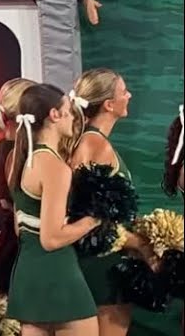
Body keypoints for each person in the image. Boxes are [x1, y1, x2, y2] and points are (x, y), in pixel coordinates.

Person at [5, 84, 99, 334]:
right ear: (54, 115)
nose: (72, 117)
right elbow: (51, 238)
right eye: (67, 110)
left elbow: (20, 227)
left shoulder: (20, 159)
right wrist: (95, 219)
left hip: (27, 275)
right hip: (58, 274)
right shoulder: (54, 167)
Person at [66, 69, 153, 336]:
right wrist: (140, 244)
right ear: (109, 104)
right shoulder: (95, 145)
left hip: (98, 263)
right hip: (103, 267)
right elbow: (89, 218)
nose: (129, 95)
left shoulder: (87, 140)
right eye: (123, 91)